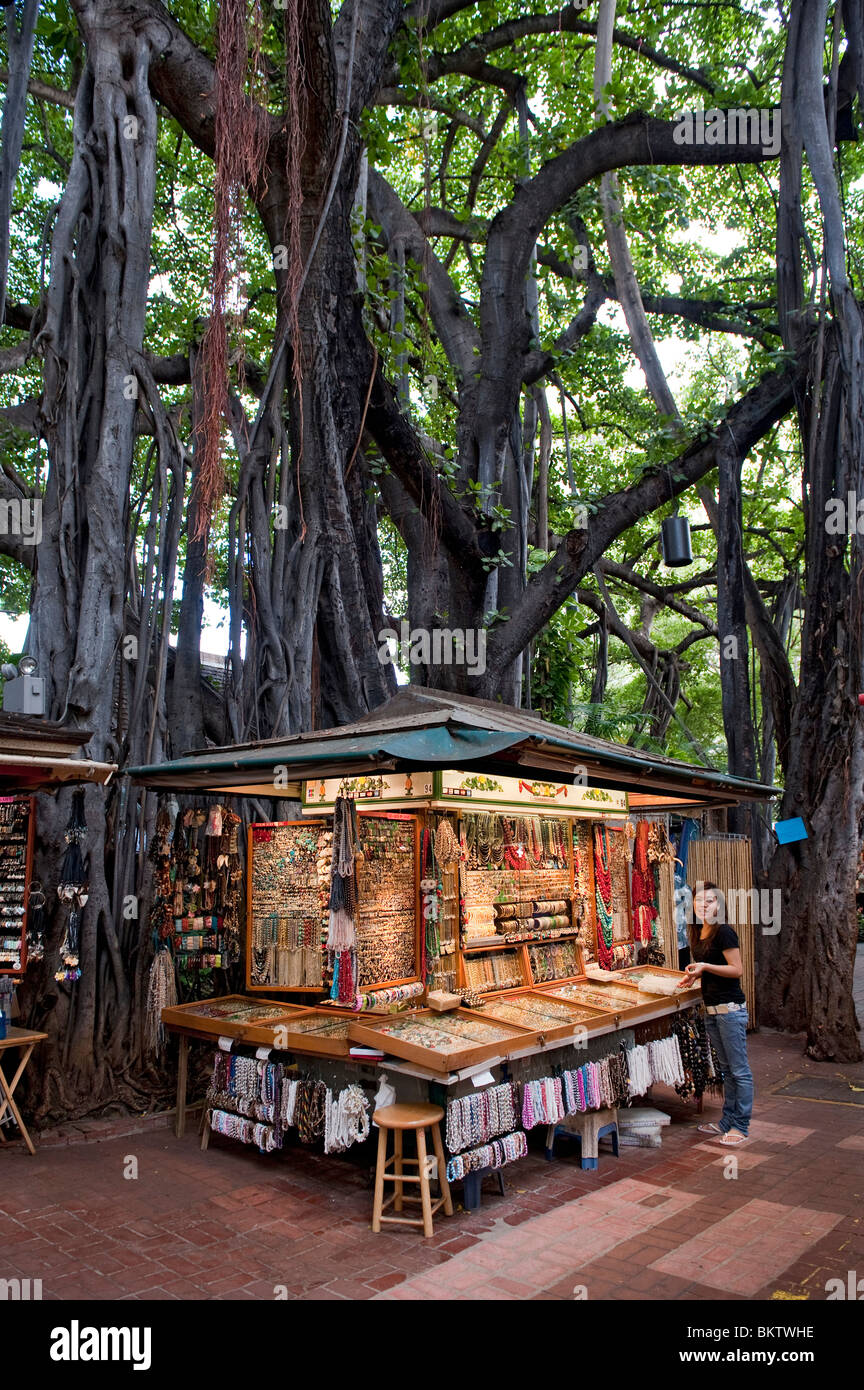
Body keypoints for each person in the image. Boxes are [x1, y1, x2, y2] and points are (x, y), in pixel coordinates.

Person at [684, 880, 753, 1146]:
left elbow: (737, 970)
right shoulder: (698, 931)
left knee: (739, 1070)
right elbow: (709, 969)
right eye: (699, 901)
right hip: (711, 1011)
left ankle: (741, 1125)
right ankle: (726, 1121)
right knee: (726, 1070)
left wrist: (704, 967)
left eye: (710, 901)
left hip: (730, 1010)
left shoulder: (724, 932)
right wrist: (694, 976)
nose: (704, 905)